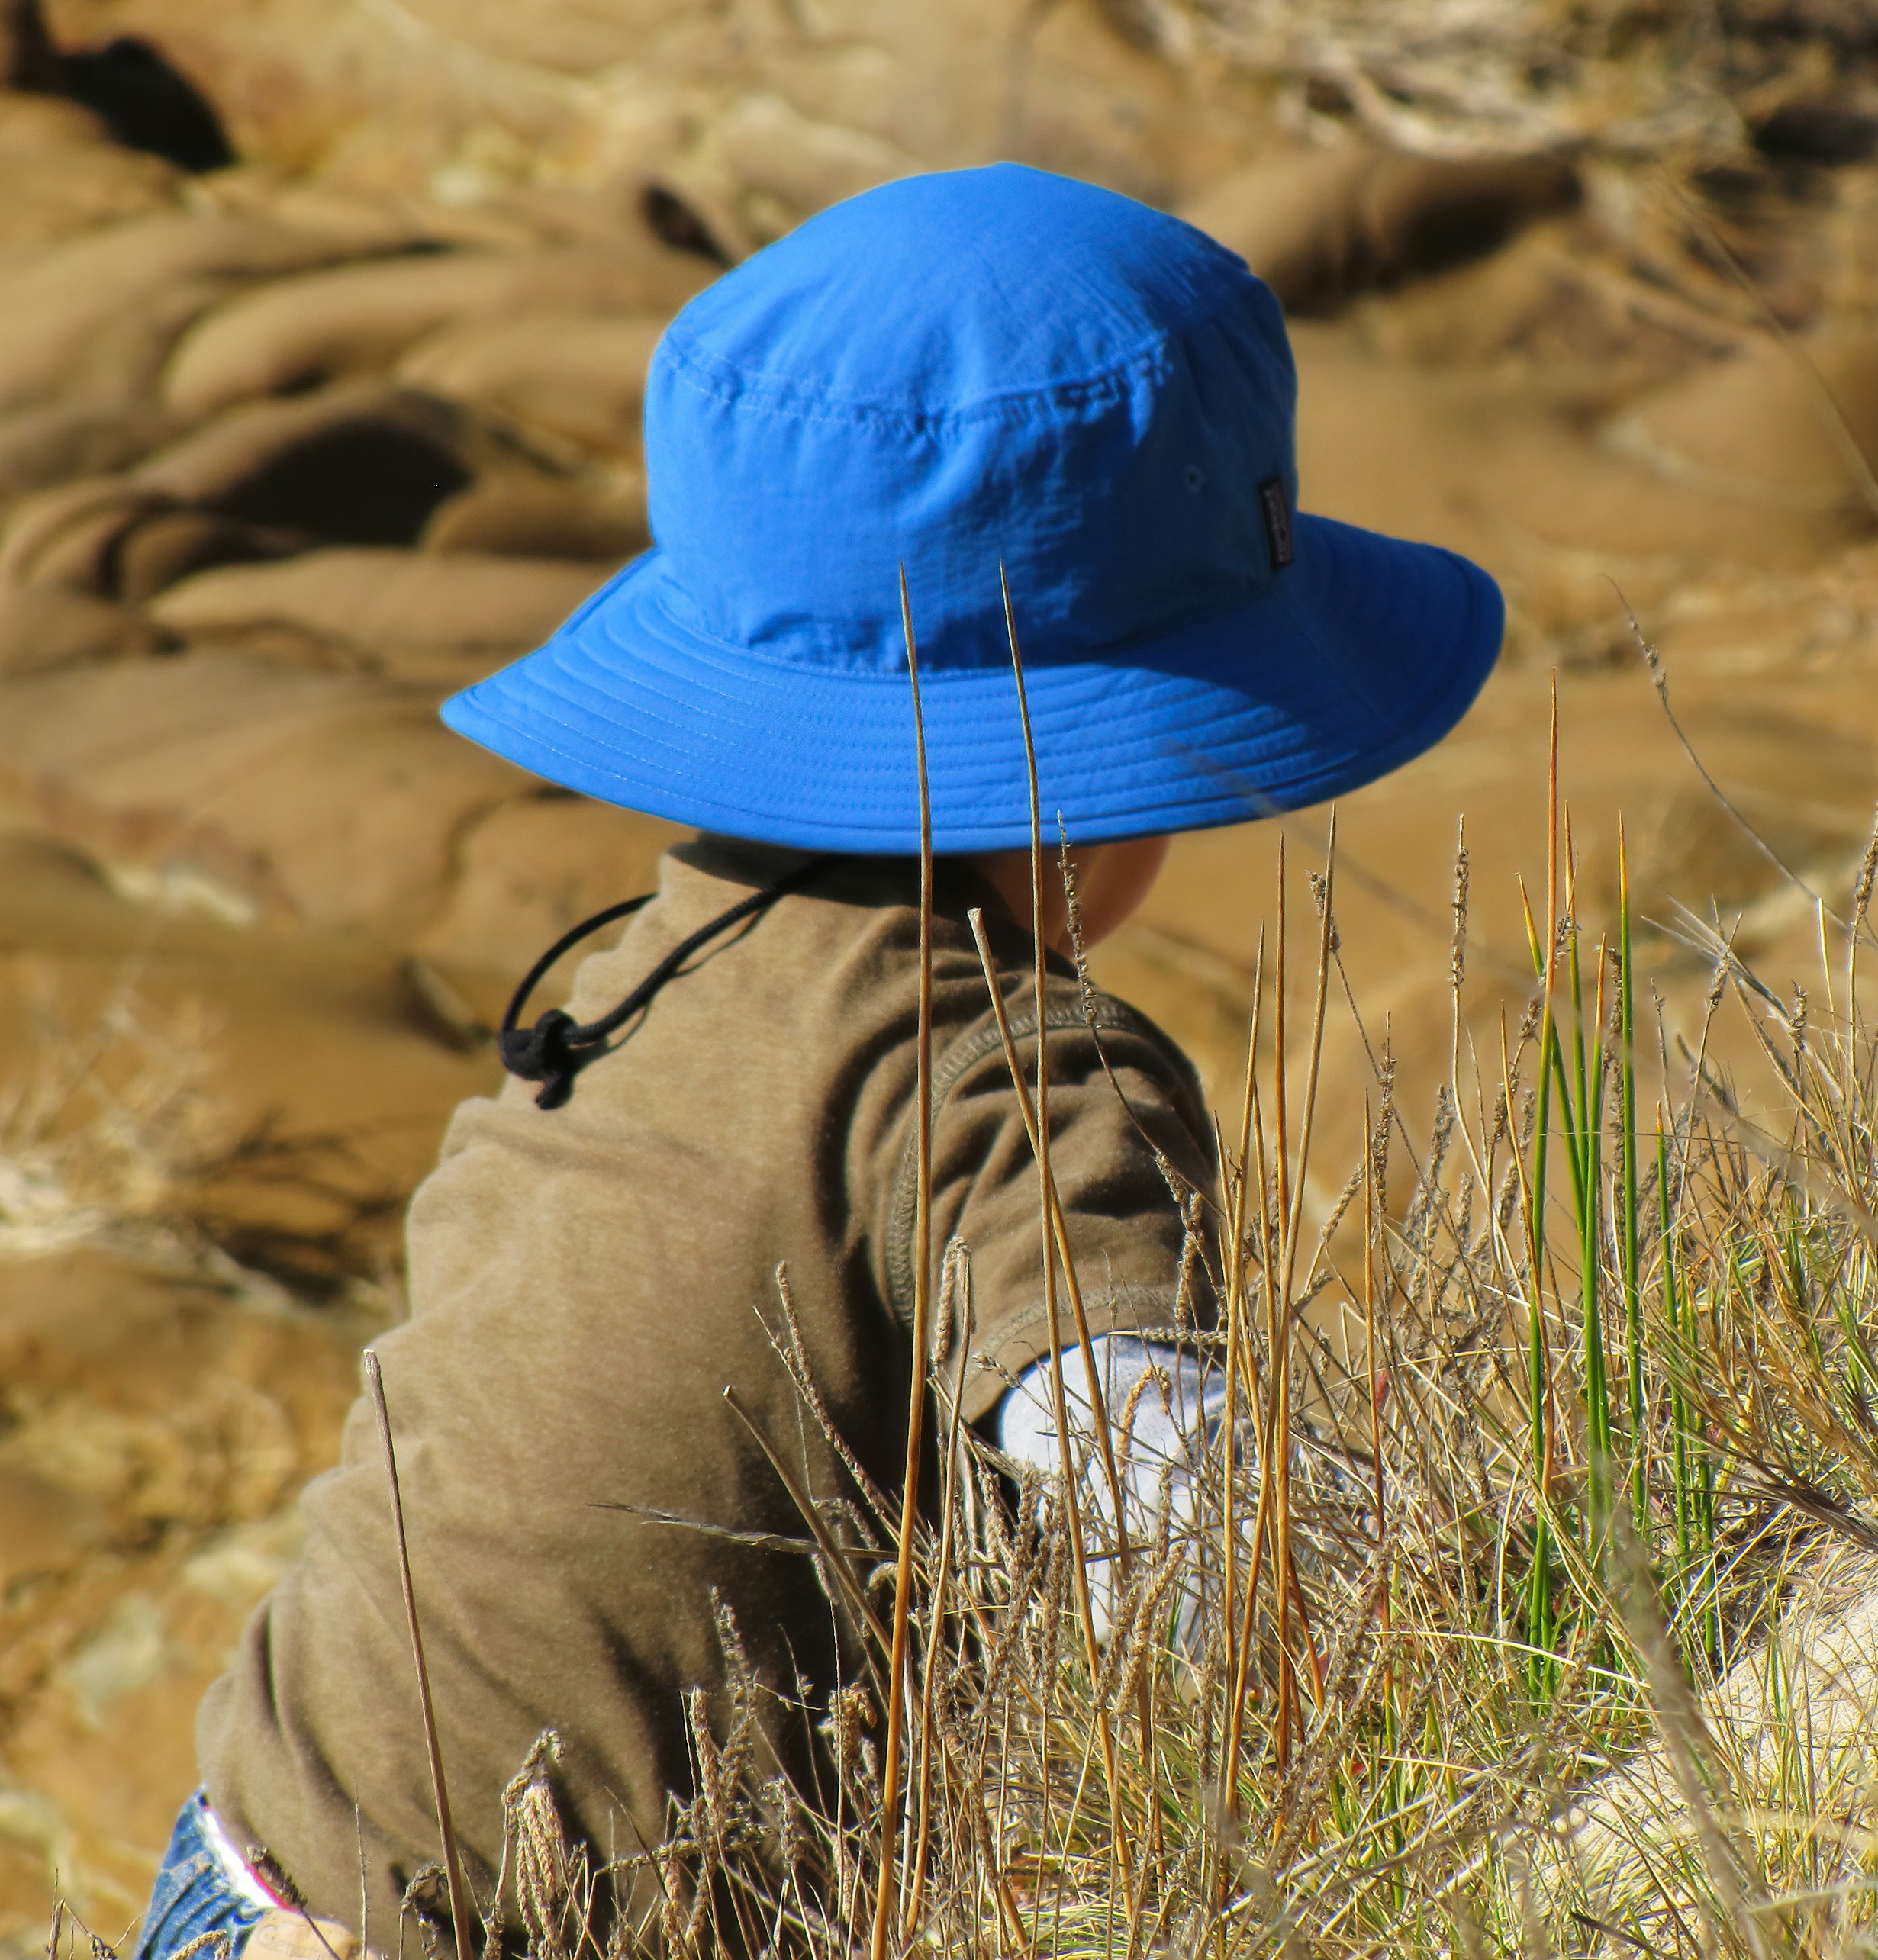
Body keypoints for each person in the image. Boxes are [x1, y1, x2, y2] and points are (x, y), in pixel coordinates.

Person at [126, 164, 1504, 1958]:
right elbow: (1153, 1478)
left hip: (246, 1859)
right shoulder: (1003, 1055)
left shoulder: (631, 978)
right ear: (1118, 745)